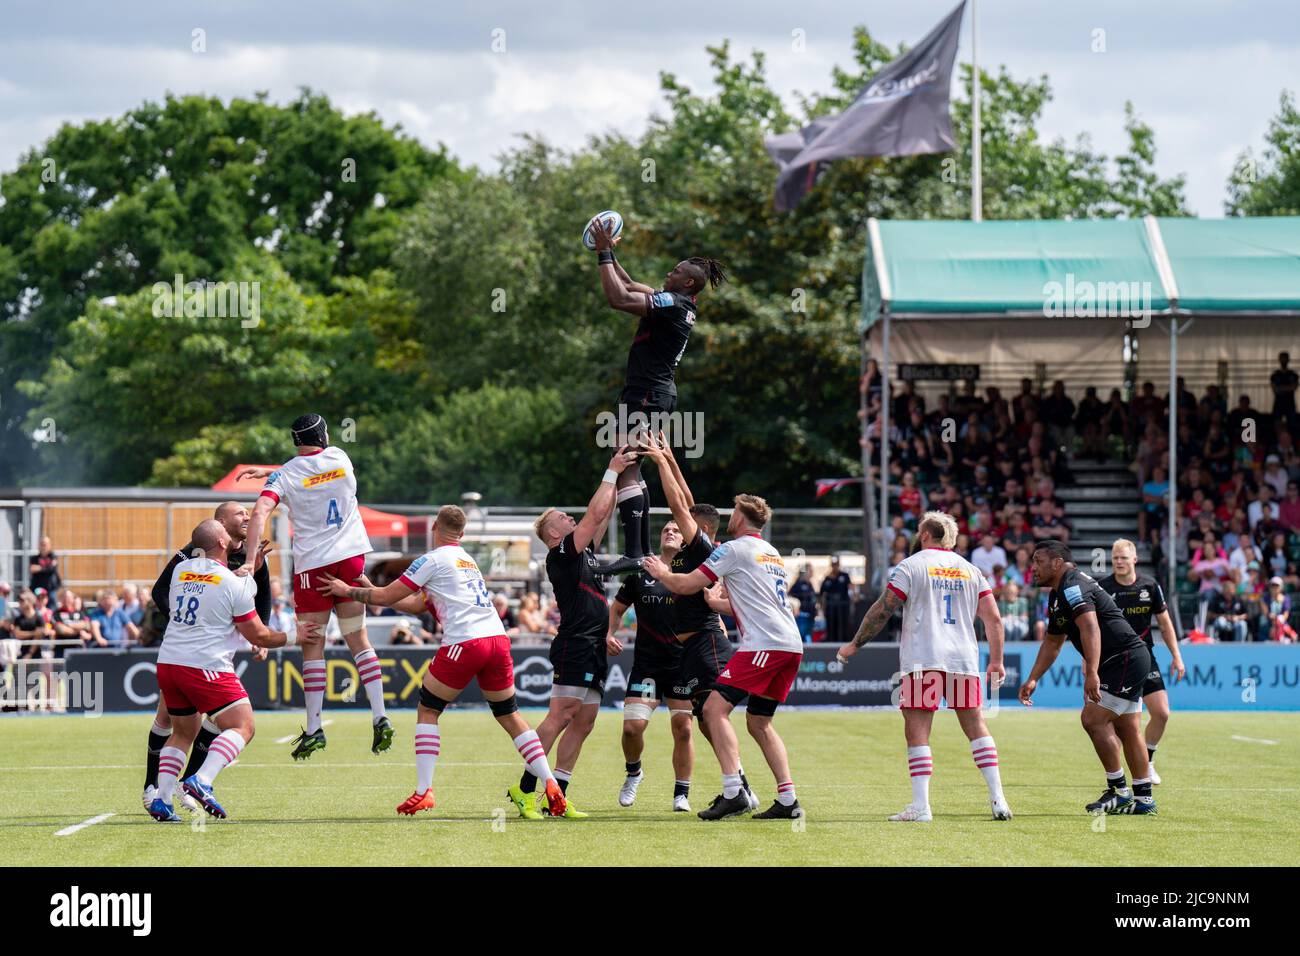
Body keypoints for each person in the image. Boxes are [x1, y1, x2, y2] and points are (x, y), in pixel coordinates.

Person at [318, 505, 567, 818]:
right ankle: (549, 783)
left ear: (434, 525)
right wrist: (371, 589)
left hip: (466, 642)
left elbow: (385, 599)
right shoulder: (467, 560)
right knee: (510, 715)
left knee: (428, 709)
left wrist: (347, 590)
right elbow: (419, 603)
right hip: (498, 640)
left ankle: (424, 791)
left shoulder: (430, 560)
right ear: (461, 535)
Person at [236, 413, 392, 758]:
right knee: (359, 639)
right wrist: (272, 472)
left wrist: (249, 559)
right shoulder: (340, 458)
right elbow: (314, 468)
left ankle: (314, 727)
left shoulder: (286, 475)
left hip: (313, 567)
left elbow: (261, 511)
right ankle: (380, 715)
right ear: (323, 435)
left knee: (313, 645)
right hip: (351, 559)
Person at [839, 512, 1012, 822]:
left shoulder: (912, 565)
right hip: (963, 658)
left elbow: (883, 609)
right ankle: (998, 799)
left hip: (923, 658)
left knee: (917, 730)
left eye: (919, 532)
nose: (917, 536)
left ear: (928, 535)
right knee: (976, 726)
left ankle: (921, 807)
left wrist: (855, 644)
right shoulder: (971, 570)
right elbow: (993, 619)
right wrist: (996, 660)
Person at [645, 493, 805, 821]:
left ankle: (734, 792)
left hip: (765, 644)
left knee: (714, 709)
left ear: (741, 518)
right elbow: (751, 603)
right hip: (790, 644)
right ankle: (788, 799)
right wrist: (715, 603)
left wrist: (661, 572)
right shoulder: (771, 552)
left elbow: (687, 584)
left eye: (733, 513)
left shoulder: (733, 549)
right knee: (759, 722)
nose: (728, 518)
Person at [148, 519, 321, 822]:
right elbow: (258, 636)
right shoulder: (232, 583)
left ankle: (162, 800)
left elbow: (218, 583)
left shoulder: (180, 571)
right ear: (223, 542)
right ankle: (201, 780)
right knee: (243, 725)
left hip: (169, 662)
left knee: (183, 732)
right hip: (205, 665)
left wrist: (249, 570)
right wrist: (296, 636)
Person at [586, 215, 727, 574]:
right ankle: (635, 548)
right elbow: (631, 282)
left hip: (648, 393)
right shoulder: (676, 302)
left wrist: (603, 253)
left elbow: (619, 298)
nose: (668, 273)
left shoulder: (675, 305)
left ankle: (635, 550)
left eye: (676, 271)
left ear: (689, 282)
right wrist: (609, 253)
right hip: (649, 393)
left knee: (625, 462)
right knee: (628, 464)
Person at [508, 446, 638, 818]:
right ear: (553, 531)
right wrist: (611, 470)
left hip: (593, 644)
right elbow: (595, 513)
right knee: (561, 716)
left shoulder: (584, 552)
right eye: (565, 517)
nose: (572, 518)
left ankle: (557, 798)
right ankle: (524, 788)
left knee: (585, 721)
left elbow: (604, 512)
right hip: (575, 644)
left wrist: (627, 471)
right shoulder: (562, 552)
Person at [639, 436, 756, 811]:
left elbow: (679, 504)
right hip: (691, 646)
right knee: (707, 721)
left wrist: (659, 463)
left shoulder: (703, 548)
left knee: (711, 716)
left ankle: (736, 792)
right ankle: (742, 789)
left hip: (705, 642)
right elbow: (687, 503)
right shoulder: (701, 547)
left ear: (700, 530)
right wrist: (671, 460)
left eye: (683, 524)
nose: (675, 525)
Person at [142, 501, 274, 812]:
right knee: (170, 720)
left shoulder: (253, 553)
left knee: (215, 718)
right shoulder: (195, 550)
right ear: (220, 525)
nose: (247, 516)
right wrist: (189, 621)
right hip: (187, 647)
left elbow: (263, 592)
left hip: (215, 649)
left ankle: (188, 785)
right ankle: (153, 787)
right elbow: (160, 590)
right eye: (239, 513)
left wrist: (261, 633)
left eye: (247, 512)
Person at [1020, 541, 1158, 815]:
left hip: (1124, 659)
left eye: (1038, 561)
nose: (1032, 567)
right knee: (1127, 729)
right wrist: (1034, 678)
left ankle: (1119, 791)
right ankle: (1144, 800)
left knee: (1092, 719)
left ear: (1057, 563)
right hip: (1124, 659)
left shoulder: (1072, 587)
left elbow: (1090, 628)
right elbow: (1053, 641)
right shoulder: (1059, 593)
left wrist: (1092, 671)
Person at [607, 520, 694, 810]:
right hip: (647, 665)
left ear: (685, 541)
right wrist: (609, 633)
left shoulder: (692, 573)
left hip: (682, 662)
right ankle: (634, 773)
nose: (670, 532)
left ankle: (681, 793)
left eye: (676, 530)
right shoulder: (641, 572)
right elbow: (617, 608)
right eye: (666, 529)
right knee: (632, 728)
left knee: (683, 728)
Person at [1098, 539, 1186, 785]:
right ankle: (1123, 774)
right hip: (1113, 661)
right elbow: (1092, 627)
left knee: (1162, 713)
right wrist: (1089, 660)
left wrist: (1177, 656)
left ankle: (1147, 761)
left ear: (1134, 559)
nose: (1118, 562)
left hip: (1144, 657)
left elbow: (1165, 624)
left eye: (1123, 558)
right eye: (1115, 558)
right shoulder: (1103, 588)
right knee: (1120, 725)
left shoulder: (1150, 585)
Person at [819, 556, 854, 645]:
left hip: (843, 606)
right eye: (833, 565)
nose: (835, 567)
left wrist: (853, 597)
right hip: (831, 607)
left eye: (836, 565)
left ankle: (844, 644)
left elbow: (851, 587)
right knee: (831, 626)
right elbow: (822, 594)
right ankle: (831, 643)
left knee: (843, 625)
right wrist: (822, 608)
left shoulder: (844, 576)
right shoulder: (827, 578)